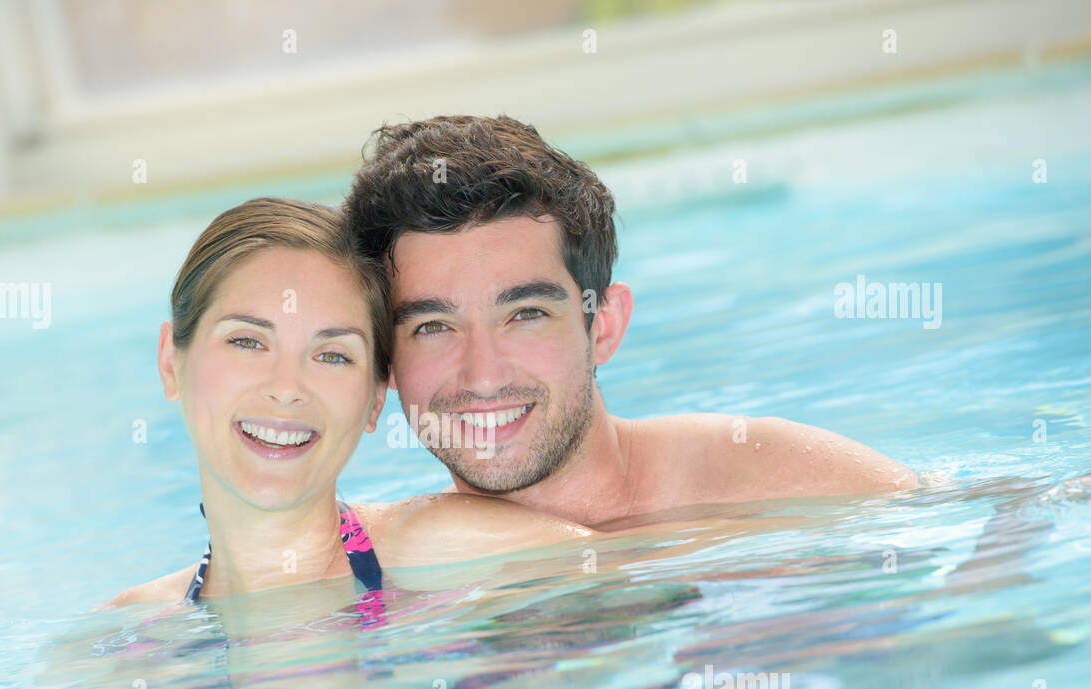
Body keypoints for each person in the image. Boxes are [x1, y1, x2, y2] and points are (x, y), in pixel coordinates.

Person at [344, 114, 921, 530]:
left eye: (525, 315)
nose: (484, 375)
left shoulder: (774, 479)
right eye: (433, 327)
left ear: (604, 327)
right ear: (385, 362)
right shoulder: (382, 563)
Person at [97, 197, 591, 610]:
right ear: (170, 362)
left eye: (332, 355)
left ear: (377, 398)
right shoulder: (128, 643)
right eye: (247, 342)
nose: (287, 387)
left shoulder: (458, 553)